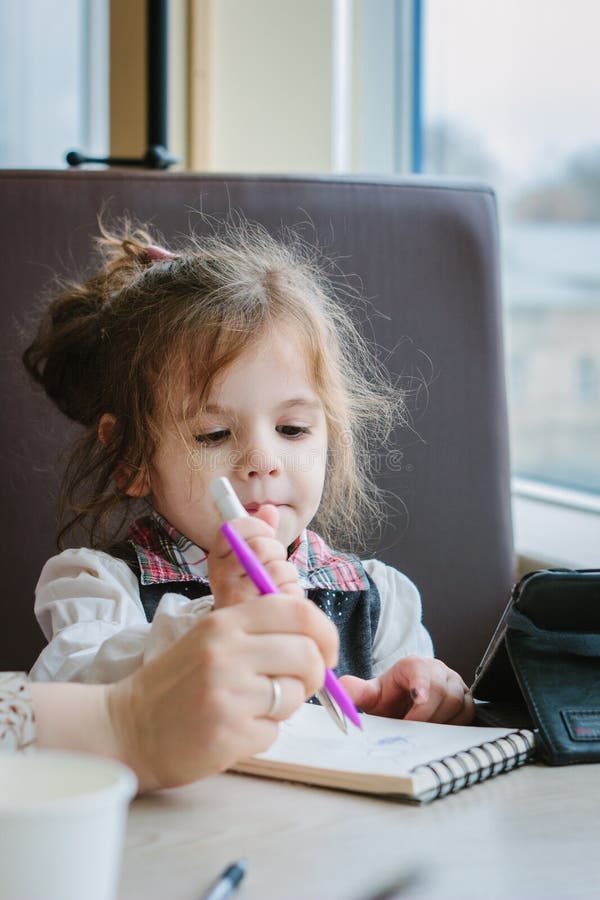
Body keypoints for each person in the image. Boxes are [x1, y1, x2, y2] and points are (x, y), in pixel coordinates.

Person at [23, 220, 474, 728]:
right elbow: (66, 696)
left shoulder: (378, 601)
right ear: (131, 458)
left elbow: (403, 751)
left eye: (292, 428)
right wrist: (219, 622)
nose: (263, 460)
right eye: (214, 435)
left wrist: (424, 698)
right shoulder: (100, 586)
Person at [0, 594, 337, 792]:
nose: (264, 467)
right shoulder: (99, 584)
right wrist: (126, 723)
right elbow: (65, 670)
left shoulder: (377, 589)